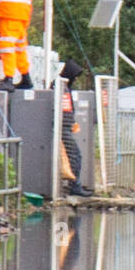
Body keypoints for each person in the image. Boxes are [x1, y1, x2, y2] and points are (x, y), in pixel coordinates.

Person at [56, 60, 91, 197]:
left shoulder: (65, 88)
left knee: (73, 156)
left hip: (66, 127)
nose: (76, 79)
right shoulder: (60, 88)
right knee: (76, 155)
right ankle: (75, 186)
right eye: (75, 76)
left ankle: (73, 184)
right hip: (62, 129)